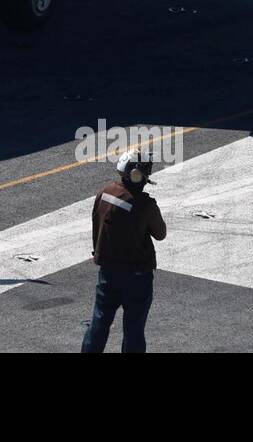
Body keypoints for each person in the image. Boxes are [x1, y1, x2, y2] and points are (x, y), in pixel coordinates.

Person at [81, 149, 166, 353]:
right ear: (141, 176)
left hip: (108, 273)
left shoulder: (104, 193)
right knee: (134, 330)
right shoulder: (145, 204)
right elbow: (160, 233)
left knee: (99, 323)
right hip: (136, 277)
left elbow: (96, 224)